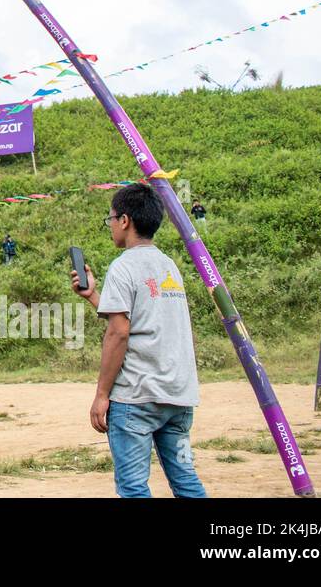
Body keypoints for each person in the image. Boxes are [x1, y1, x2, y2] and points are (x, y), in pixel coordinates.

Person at [72, 183, 207, 499]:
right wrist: (92, 294)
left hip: (136, 398)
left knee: (133, 488)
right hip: (177, 398)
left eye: (110, 218)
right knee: (186, 481)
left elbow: (119, 332)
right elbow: (140, 320)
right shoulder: (168, 265)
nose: (110, 225)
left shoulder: (123, 266)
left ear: (124, 220)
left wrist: (102, 394)